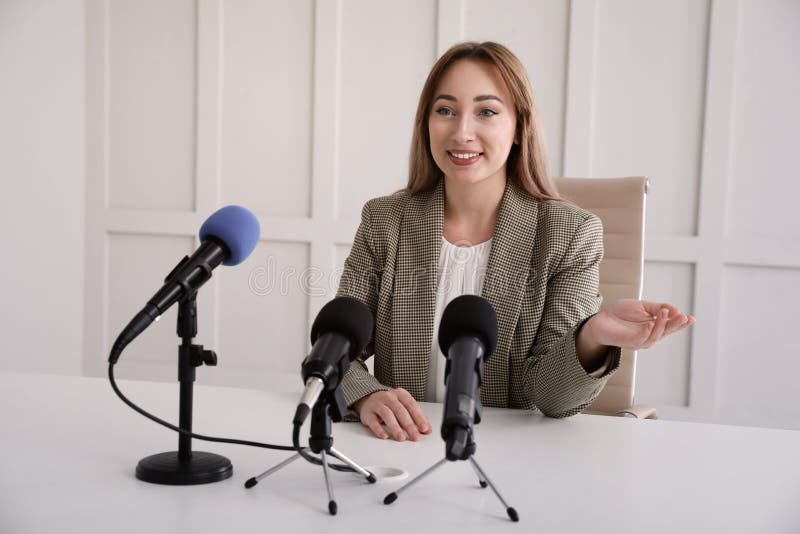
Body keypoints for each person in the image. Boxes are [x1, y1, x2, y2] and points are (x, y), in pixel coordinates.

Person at [336, 41, 694, 442]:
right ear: (426, 123)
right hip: (400, 450)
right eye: (445, 110)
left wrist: (592, 335)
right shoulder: (384, 220)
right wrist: (365, 396)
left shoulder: (570, 233)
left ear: (520, 126)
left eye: (486, 111)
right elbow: (335, 347)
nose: (462, 132)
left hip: (511, 458)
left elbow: (552, 399)